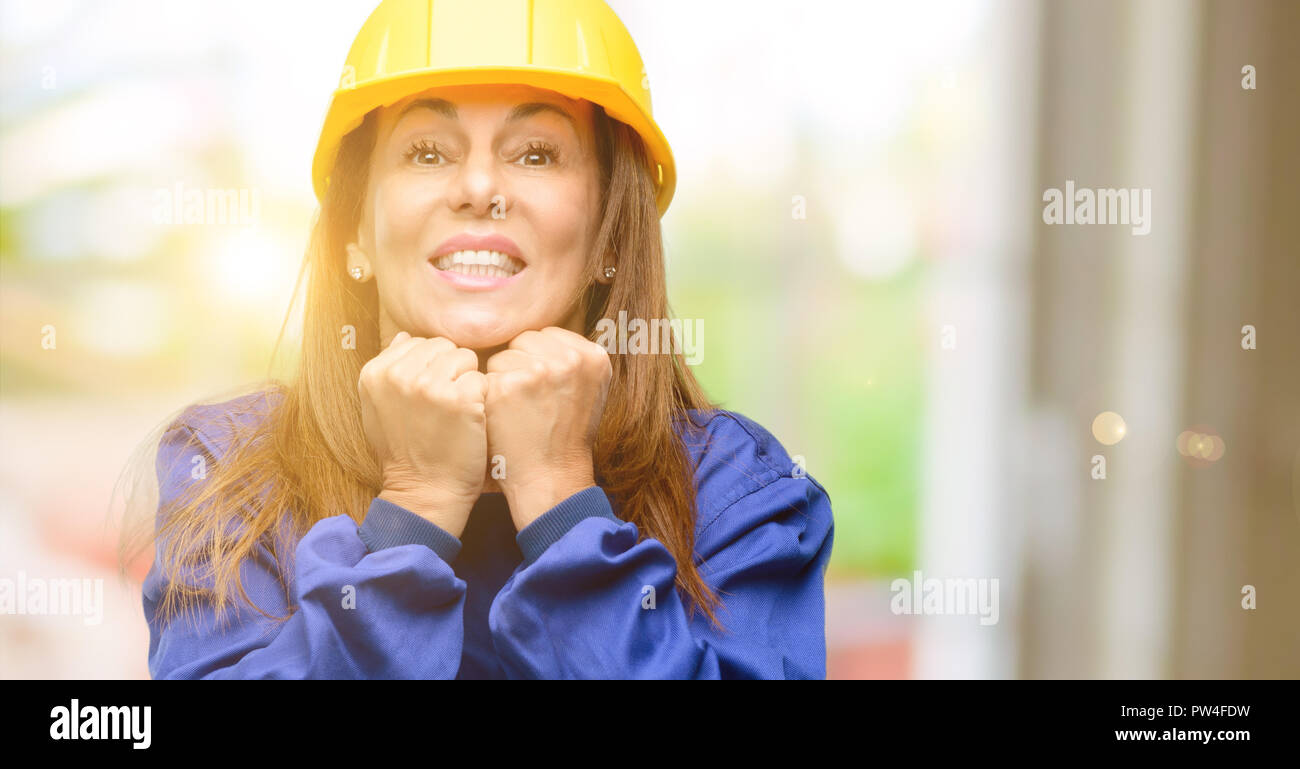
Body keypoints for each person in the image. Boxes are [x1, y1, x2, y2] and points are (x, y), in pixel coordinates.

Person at [135, 0, 834, 679]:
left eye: (535, 154)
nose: (478, 187)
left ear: (608, 237)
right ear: (356, 230)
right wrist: (414, 510)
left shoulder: (737, 489)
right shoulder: (230, 470)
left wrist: (562, 501)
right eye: (427, 151)